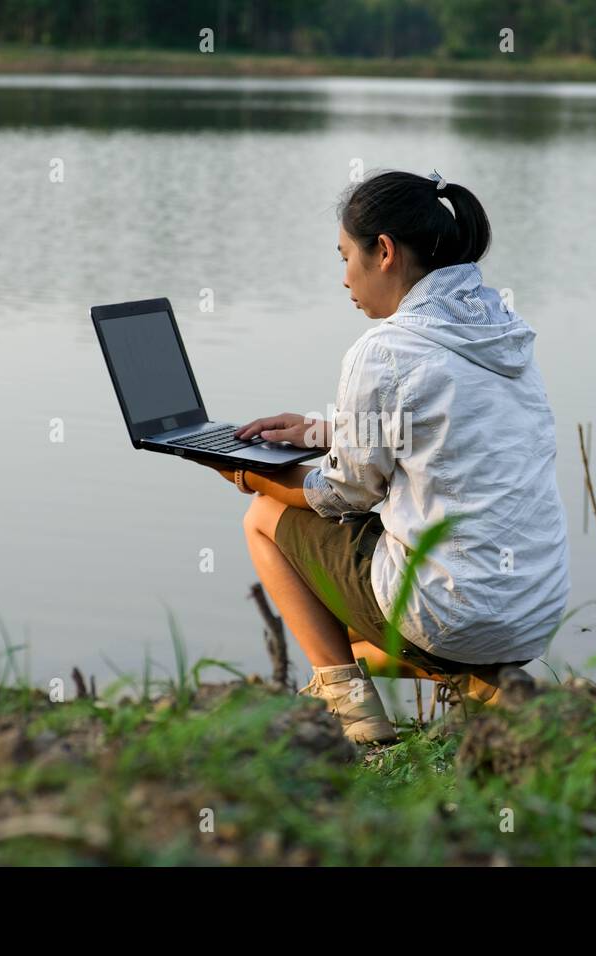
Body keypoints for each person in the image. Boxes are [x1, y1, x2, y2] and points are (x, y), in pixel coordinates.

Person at [200, 169, 570, 745]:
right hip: (531, 612)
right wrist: (323, 431)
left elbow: (339, 495)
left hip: (451, 612)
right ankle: (488, 687)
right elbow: (445, 434)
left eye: (345, 255)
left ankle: (350, 711)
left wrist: (252, 474)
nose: (343, 276)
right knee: (338, 620)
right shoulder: (502, 330)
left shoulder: (385, 348)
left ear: (385, 252)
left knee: (265, 523)